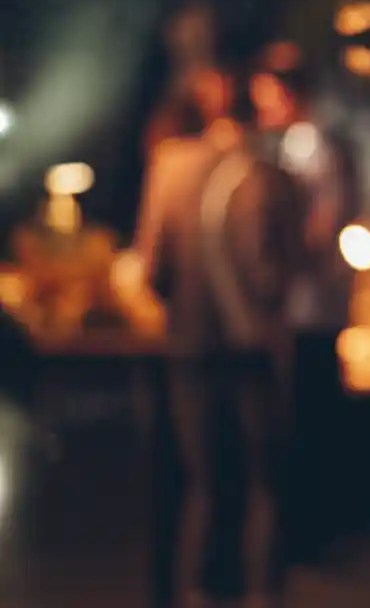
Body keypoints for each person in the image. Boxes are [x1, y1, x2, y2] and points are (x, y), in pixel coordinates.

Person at [135, 72, 303, 608]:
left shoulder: (169, 168)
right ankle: (262, 591)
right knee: (263, 481)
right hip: (253, 347)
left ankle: (197, 591)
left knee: (202, 483)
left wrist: (182, 308)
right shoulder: (265, 171)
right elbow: (278, 266)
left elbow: (152, 270)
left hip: (189, 345)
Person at [247, 61, 359, 562]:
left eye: (268, 96)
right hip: (312, 307)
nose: (261, 108)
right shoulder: (307, 146)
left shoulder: (308, 148)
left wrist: (277, 264)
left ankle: (312, 536)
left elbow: (318, 227)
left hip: (310, 309)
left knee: (308, 421)